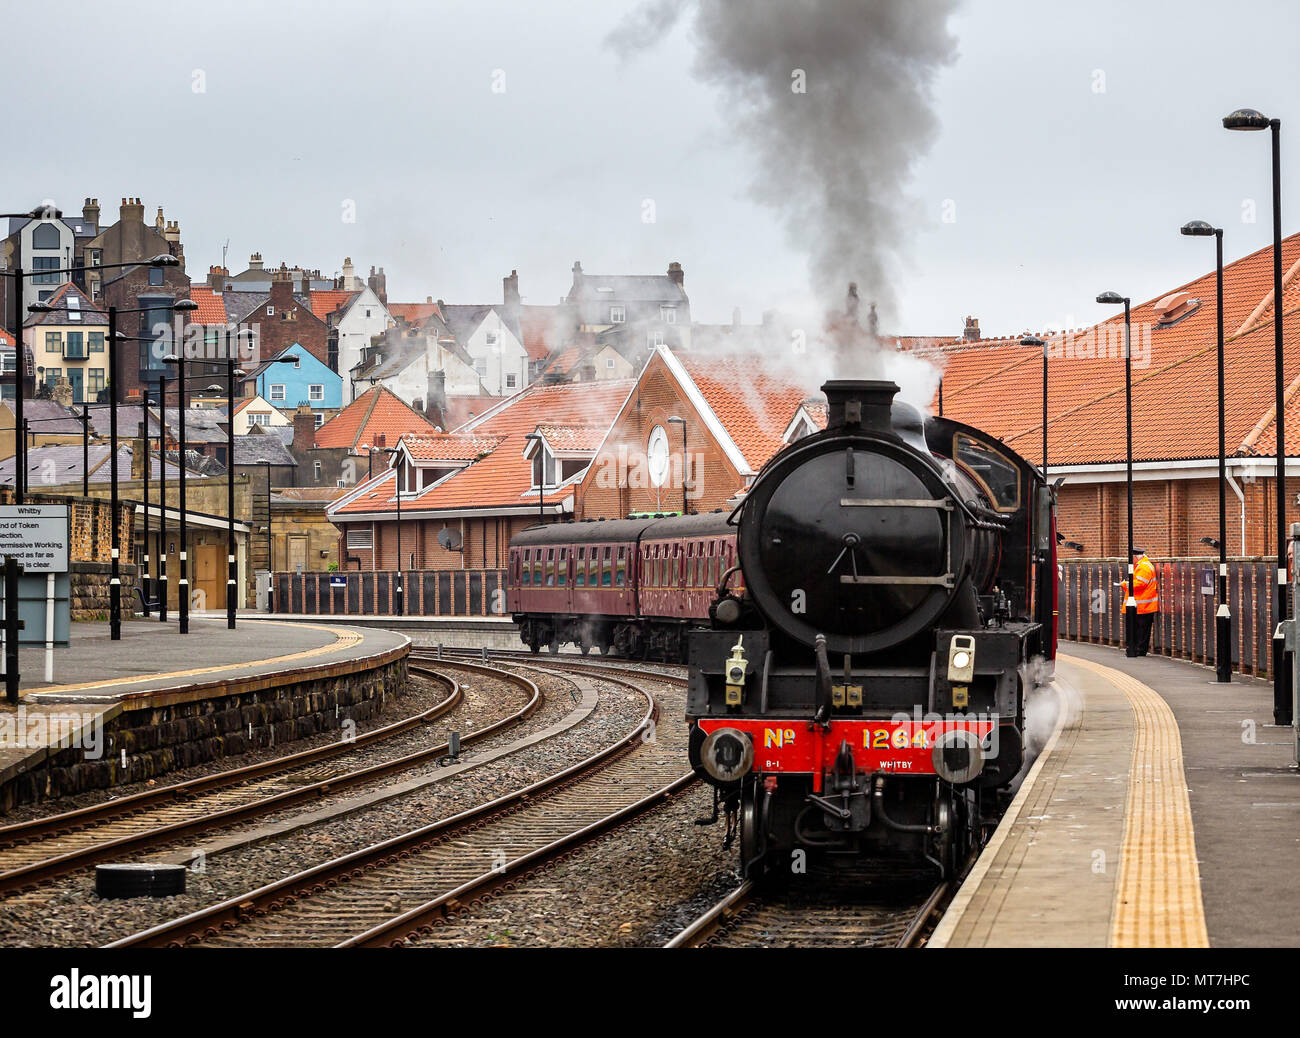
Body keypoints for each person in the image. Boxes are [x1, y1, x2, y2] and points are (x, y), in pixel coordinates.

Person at [1118, 547, 1160, 656]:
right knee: (1139, 629)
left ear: (1135, 557)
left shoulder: (1144, 567)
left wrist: (1124, 584)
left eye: (1130, 557)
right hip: (1141, 605)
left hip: (1143, 605)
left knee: (1141, 630)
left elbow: (1140, 584)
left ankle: (1139, 650)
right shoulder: (1141, 566)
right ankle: (1137, 648)